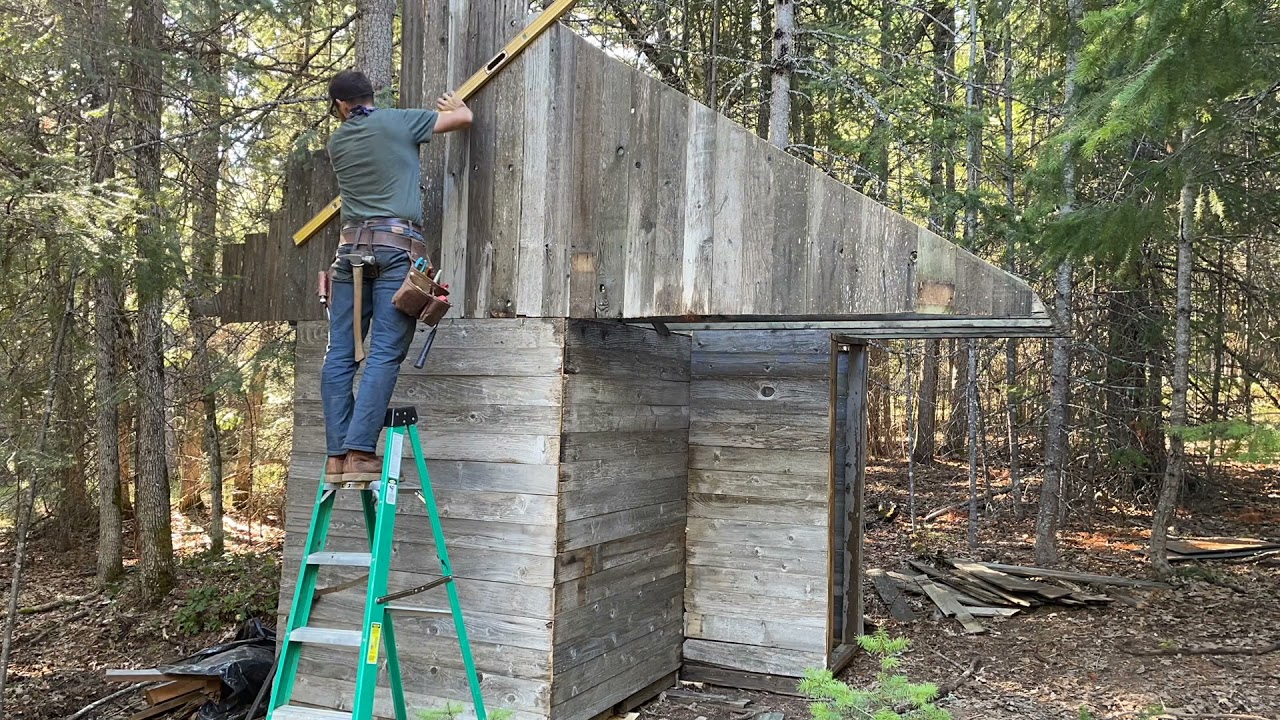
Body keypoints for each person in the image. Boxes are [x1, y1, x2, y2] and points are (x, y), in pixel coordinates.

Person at [321, 69, 473, 483]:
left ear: (339, 106)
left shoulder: (337, 142)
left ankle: (337, 457)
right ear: (370, 96)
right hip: (396, 249)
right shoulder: (399, 121)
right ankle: (359, 452)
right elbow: (462, 120)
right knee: (385, 351)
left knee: (340, 353)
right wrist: (456, 106)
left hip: (349, 253)